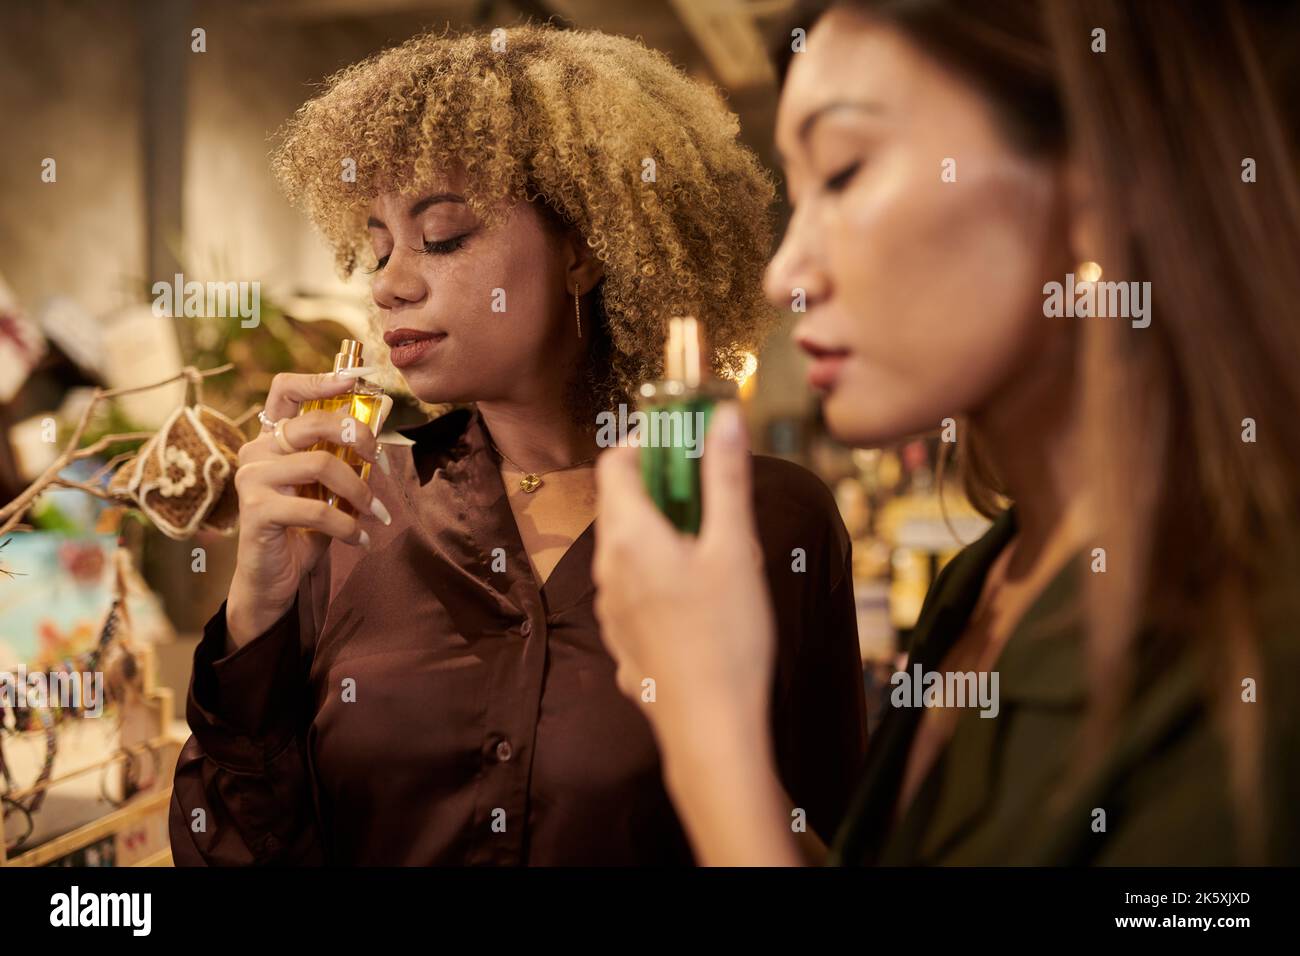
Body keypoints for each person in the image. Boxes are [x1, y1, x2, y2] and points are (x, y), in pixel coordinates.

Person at [593, 0, 1300, 865]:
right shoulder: (987, 579)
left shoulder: (1256, 641)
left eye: (845, 172)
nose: (786, 276)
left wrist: (711, 742)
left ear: (1096, 186)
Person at [168, 25, 866, 865]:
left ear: (583, 250)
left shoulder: (767, 522)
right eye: (378, 244)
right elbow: (229, 849)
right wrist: (254, 614)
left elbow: (823, 833)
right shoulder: (350, 511)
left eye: (444, 235)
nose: (388, 283)